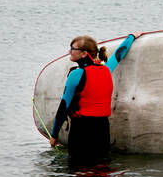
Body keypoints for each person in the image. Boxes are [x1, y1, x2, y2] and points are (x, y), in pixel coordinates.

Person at [50, 33, 137, 164]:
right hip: (102, 130)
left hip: (81, 131)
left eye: (73, 49)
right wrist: (132, 37)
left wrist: (54, 135)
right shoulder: (106, 69)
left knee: (78, 172)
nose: (70, 52)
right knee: (101, 170)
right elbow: (119, 55)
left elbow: (64, 106)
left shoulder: (76, 74)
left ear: (84, 53)